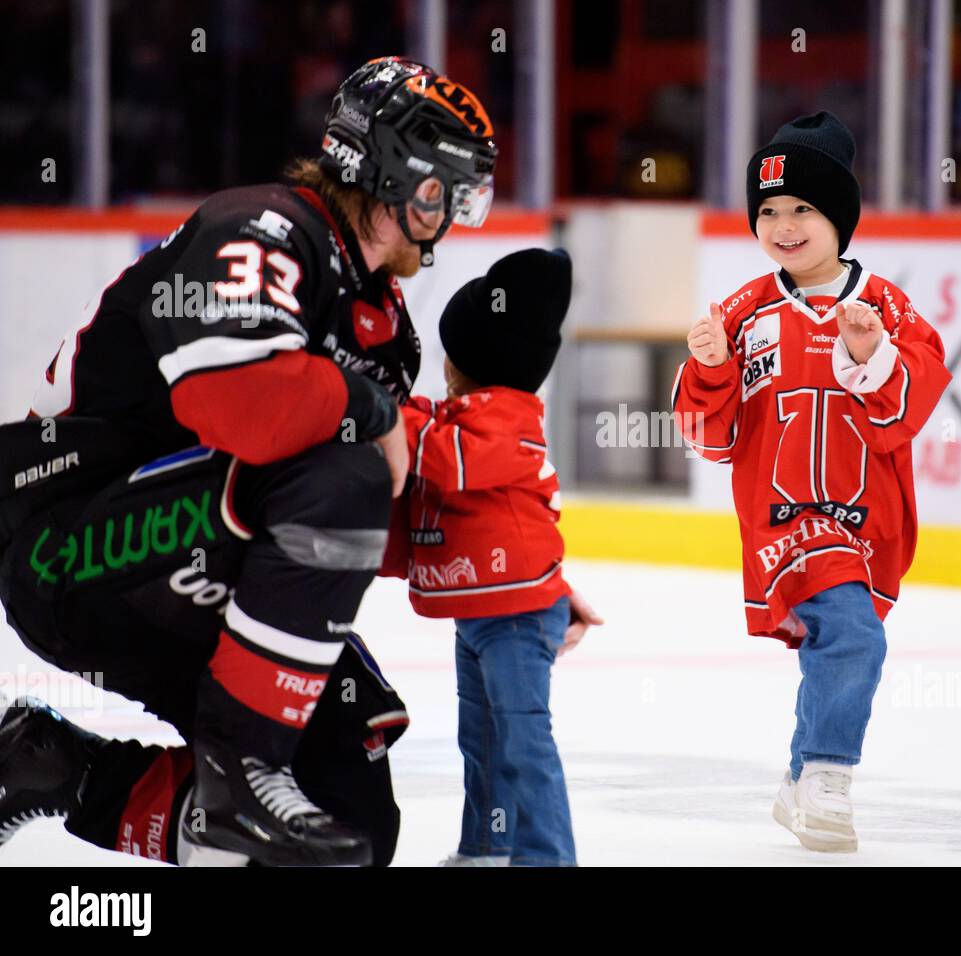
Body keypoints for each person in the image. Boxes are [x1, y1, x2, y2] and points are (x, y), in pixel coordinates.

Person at [0, 56, 498, 866]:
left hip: (184, 555)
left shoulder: (382, 326)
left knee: (350, 830)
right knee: (345, 467)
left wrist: (526, 567)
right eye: (446, 192)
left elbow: (358, 528)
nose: (452, 220)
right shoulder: (262, 228)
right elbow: (236, 405)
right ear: (392, 176)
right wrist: (369, 410)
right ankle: (239, 770)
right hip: (63, 547)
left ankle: (55, 769)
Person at [670, 112, 952, 852]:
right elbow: (708, 438)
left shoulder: (886, 307)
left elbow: (908, 408)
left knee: (838, 640)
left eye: (802, 208)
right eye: (767, 211)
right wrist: (708, 370)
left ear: (840, 217)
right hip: (782, 520)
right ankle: (828, 776)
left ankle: (797, 781)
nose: (783, 226)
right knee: (853, 636)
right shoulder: (739, 313)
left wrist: (872, 355)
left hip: (868, 523)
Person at [379, 248, 590, 867]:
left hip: (517, 616)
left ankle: (546, 858)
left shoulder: (507, 423)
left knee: (522, 740)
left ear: (475, 361)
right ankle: (488, 846)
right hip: (486, 609)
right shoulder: (463, 417)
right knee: (483, 738)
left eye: (452, 352)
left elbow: (446, 461)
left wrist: (387, 417)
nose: (442, 367)